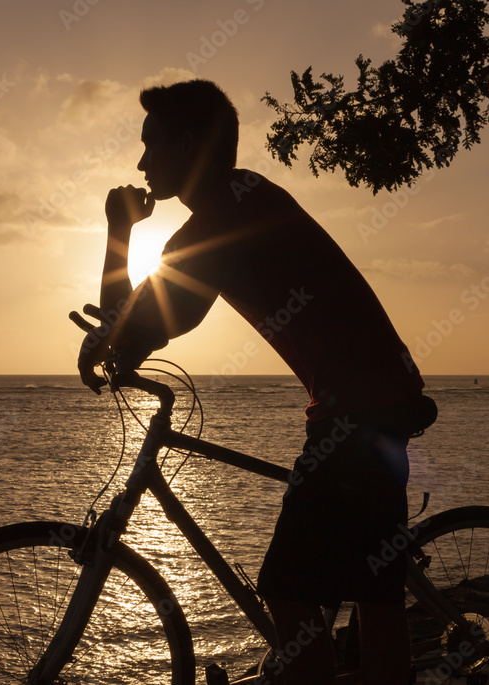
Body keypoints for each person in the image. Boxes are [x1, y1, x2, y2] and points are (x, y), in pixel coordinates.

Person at [76, 80, 435, 685]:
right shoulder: (240, 200)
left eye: (150, 144)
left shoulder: (219, 220)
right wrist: (123, 329)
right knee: (374, 594)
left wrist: (118, 231)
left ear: (188, 143)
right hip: (374, 397)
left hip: (355, 410)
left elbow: (140, 326)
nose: (140, 162)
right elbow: (144, 321)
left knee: (289, 590)